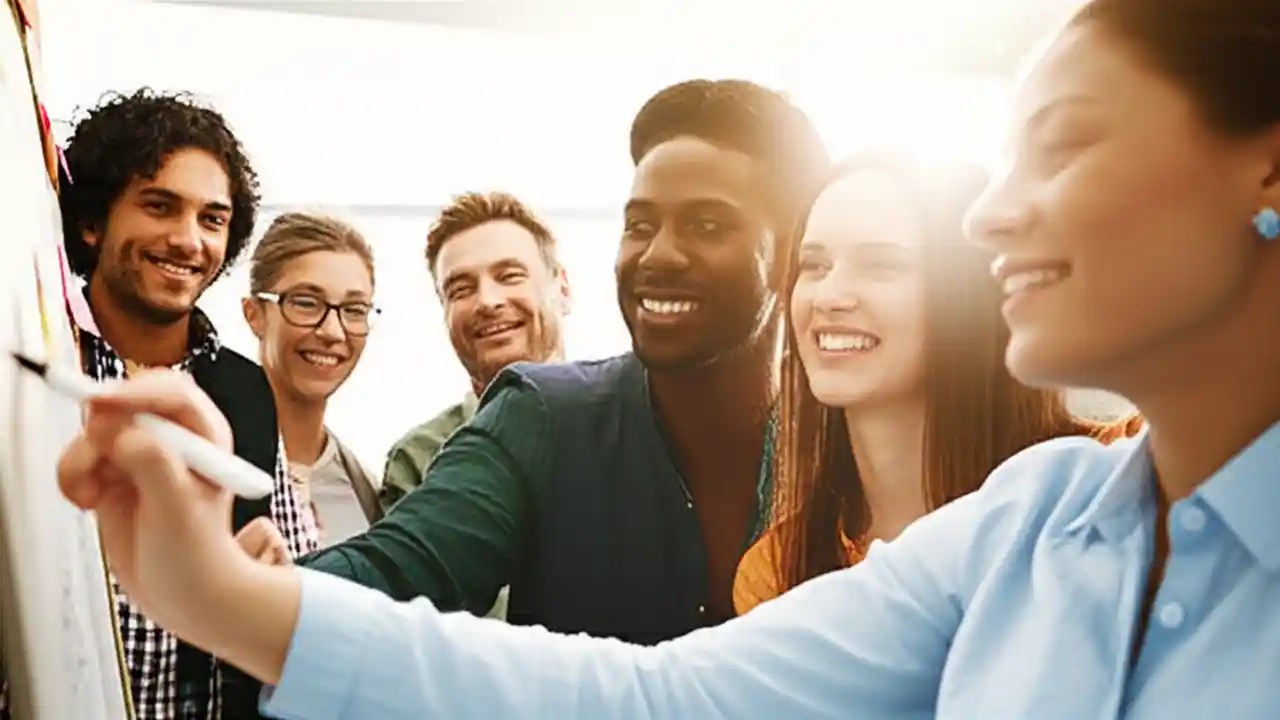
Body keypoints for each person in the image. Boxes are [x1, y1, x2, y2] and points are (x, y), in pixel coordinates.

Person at [56, 1, 1280, 716]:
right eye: (640, 219)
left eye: (1060, 145)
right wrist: (218, 591)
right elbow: (659, 700)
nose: (989, 213)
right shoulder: (1029, 525)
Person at [280, 78, 829, 638]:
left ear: (792, 252)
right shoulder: (541, 417)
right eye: (639, 225)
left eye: (706, 226)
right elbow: (398, 567)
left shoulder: (845, 438)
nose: (658, 254)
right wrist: (241, 589)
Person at [733, 154, 1141, 613]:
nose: (829, 296)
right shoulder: (777, 573)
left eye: (880, 265)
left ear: (970, 294)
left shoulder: (1120, 478)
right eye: (814, 265)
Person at [58, 88, 317, 720]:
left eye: (212, 218)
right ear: (93, 221)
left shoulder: (248, 391)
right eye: (158, 206)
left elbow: (298, 566)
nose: (187, 239)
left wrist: (280, 576)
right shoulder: (41, 368)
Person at [380, 191, 569, 513]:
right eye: (461, 289)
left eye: (509, 276)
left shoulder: (633, 425)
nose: (487, 301)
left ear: (562, 289)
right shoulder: (419, 460)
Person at [243, 212, 383, 545]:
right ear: (254, 315)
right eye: (306, 303)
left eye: (354, 309)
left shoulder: (364, 491)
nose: (332, 332)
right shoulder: (208, 456)